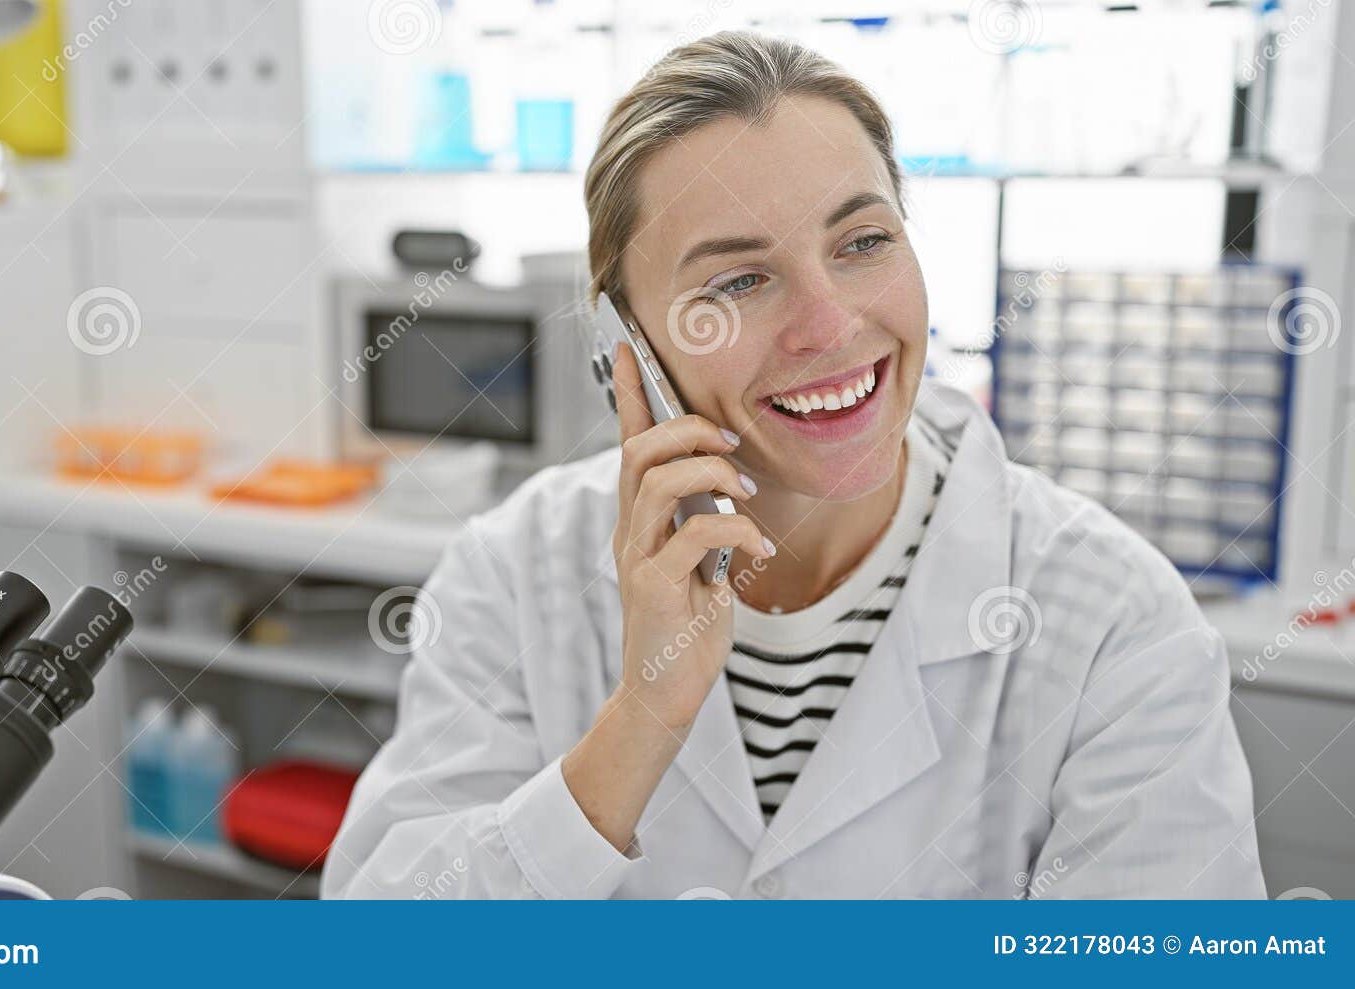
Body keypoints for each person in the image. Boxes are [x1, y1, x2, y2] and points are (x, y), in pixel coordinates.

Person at [325, 30, 1265, 899]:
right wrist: (641, 720)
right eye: (738, 280)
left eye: (863, 242)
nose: (830, 326)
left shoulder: (1111, 616)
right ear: (630, 344)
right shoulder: (512, 569)